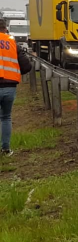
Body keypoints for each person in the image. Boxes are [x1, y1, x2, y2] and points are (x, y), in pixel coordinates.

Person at [0, 19, 31, 156]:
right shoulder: (13, 43)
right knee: (6, 117)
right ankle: (6, 149)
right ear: (5, 28)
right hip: (10, 86)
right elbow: (26, 66)